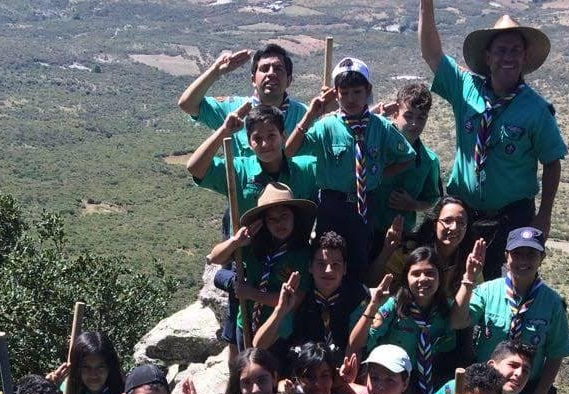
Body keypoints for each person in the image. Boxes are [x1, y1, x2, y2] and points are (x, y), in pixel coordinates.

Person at [418, 1, 567, 279]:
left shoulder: (536, 109)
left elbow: (552, 162)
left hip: (512, 215)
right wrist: (426, 5)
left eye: (515, 50)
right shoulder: (465, 88)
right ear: (487, 56)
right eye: (501, 50)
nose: (507, 57)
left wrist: (544, 215)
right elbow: (432, 53)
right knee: (449, 277)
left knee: (505, 282)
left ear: (524, 57)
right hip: (463, 211)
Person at [286, 57, 415, 283]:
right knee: (327, 261)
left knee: (357, 262)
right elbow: (289, 150)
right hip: (332, 206)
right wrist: (310, 115)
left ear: (368, 91)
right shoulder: (327, 126)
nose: (351, 99)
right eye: (344, 93)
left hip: (364, 206)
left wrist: (376, 175)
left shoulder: (380, 127)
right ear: (336, 94)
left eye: (357, 92)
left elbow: (407, 156)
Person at [455, 226, 569, 394]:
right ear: (506, 256)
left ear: (542, 258)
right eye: (517, 253)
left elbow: (556, 354)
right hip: (483, 386)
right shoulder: (487, 291)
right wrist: (469, 279)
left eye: (531, 254)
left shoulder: (553, 303)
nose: (523, 260)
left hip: (525, 389)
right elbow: (458, 321)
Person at [209, 185, 315, 354]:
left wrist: (251, 293)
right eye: (272, 219)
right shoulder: (254, 245)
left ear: (294, 217)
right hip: (245, 321)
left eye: (284, 216)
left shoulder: (302, 254)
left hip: (277, 329)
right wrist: (236, 242)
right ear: (264, 223)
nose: (279, 223)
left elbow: (294, 300)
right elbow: (214, 258)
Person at [352, 246, 464, 394]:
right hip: (387, 380)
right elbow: (362, 342)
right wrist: (372, 307)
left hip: (426, 382)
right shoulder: (394, 306)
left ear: (441, 278)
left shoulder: (447, 310)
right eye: (416, 274)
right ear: (406, 278)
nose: (423, 279)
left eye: (430, 273)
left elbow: (448, 348)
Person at [178, 45, 308, 159]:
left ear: (289, 80)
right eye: (264, 68)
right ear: (253, 79)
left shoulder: (306, 116)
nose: (271, 73)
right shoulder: (232, 109)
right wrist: (215, 72)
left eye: (278, 69)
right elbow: (187, 104)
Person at [188, 104, 319, 215]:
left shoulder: (307, 169)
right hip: (248, 245)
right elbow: (195, 168)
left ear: (283, 136)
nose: (265, 144)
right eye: (257, 138)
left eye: (271, 136)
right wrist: (224, 130)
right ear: (249, 142)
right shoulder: (238, 171)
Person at [255, 232, 366, 360]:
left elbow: (358, 347)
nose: (328, 270)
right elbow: (260, 345)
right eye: (321, 264)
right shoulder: (300, 298)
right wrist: (280, 310)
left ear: (345, 268)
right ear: (310, 267)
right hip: (304, 374)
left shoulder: (357, 297)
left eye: (336, 264)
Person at [368, 83, 442, 250]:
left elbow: (431, 199)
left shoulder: (429, 161)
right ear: (395, 114)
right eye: (408, 116)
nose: (414, 124)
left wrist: (412, 205)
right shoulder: (374, 145)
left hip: (401, 238)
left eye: (421, 117)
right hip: (365, 231)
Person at [369, 195, 476, 302]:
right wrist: (387, 251)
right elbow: (374, 284)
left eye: (461, 222)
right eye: (447, 220)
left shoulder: (470, 261)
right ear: (435, 224)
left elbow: (478, 299)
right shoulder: (410, 251)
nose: (454, 228)